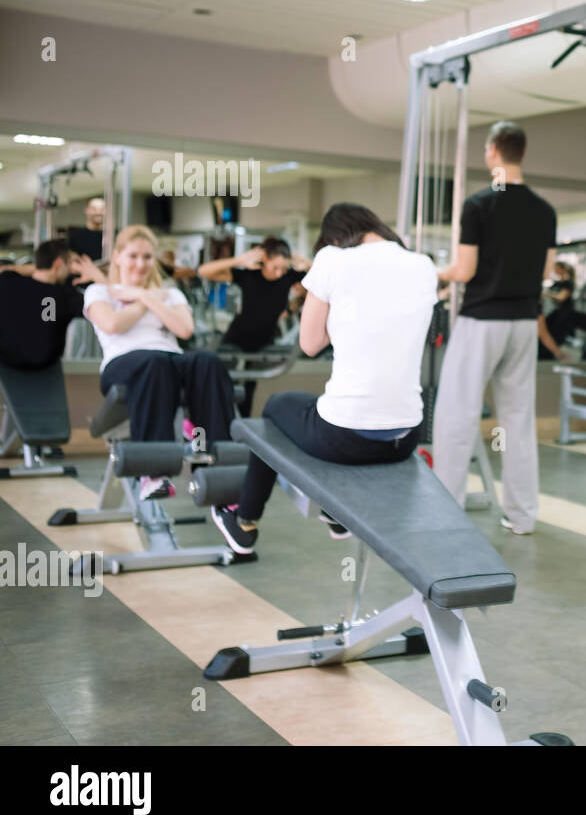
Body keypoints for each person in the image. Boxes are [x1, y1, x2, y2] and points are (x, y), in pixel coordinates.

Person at [210, 204, 435, 555]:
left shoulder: (332, 258)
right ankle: (334, 513)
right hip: (405, 437)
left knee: (276, 405)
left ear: (333, 237)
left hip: (343, 437)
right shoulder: (423, 264)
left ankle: (244, 520)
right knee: (323, 410)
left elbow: (310, 344)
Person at [433, 120, 557, 536]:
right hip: (522, 322)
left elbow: (464, 270)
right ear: (521, 153)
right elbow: (547, 270)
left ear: (491, 152)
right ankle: (522, 516)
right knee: (518, 420)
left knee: (457, 414)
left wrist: (435, 272)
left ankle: (447, 510)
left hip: (481, 321)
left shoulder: (479, 205)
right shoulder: (544, 210)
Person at [82, 225, 236, 500]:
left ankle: (219, 459)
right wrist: (145, 299)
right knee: (154, 363)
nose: (140, 264)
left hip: (169, 359)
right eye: (133, 256)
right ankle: (153, 473)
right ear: (117, 256)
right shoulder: (100, 292)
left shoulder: (171, 292)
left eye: (147, 257)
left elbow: (184, 329)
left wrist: (146, 296)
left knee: (207, 362)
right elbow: (112, 324)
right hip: (123, 363)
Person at [198, 238, 310, 414]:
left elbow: (327, 278)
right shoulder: (249, 275)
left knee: (249, 388)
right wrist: (238, 261)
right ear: (264, 259)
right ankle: (221, 422)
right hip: (236, 337)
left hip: (263, 341)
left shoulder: (288, 277)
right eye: (275, 267)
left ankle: (242, 429)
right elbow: (203, 271)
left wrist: (308, 263)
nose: (279, 273)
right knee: (227, 383)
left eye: (283, 268)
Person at [0, 240, 105, 370]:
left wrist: (40, 266)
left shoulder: (7, 281)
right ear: (58, 264)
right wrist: (97, 276)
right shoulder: (65, 295)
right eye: (69, 265)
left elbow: (4, 270)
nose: (70, 271)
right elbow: (107, 305)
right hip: (45, 372)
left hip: (6, 370)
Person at [537, 261, 586, 361]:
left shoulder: (567, 284)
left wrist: (546, 293)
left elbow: (561, 297)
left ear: (563, 269)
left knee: (571, 316)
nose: (554, 270)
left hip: (563, 316)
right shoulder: (555, 284)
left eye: (557, 268)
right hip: (556, 316)